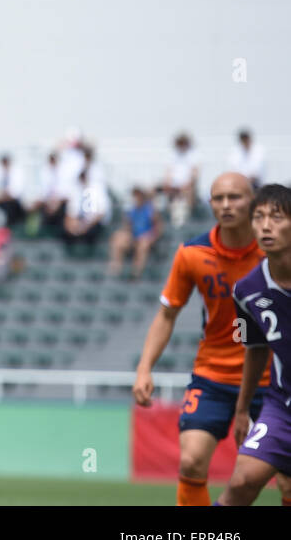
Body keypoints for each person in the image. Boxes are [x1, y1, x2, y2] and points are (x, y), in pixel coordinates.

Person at [132, 173, 285, 506]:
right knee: (190, 460)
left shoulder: (275, 253)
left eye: (236, 197)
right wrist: (144, 368)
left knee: (284, 482)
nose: (227, 205)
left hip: (271, 383)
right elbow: (167, 314)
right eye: (218, 198)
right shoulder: (191, 254)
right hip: (212, 376)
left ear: (252, 202)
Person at [218, 184, 291, 506]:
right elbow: (254, 347)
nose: (265, 225)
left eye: (276, 217)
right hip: (282, 405)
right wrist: (243, 408)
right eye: (258, 217)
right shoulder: (245, 291)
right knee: (242, 481)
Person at [106, 186, 161, 281]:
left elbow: (158, 227)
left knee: (143, 244)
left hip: (145, 239)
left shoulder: (149, 209)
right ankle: (116, 267)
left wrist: (151, 237)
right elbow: (128, 227)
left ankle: (136, 273)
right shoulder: (132, 210)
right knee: (118, 237)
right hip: (134, 238)